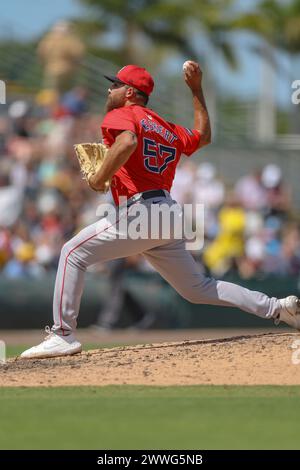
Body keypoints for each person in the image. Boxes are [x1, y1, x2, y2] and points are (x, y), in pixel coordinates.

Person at [21, 62, 300, 359]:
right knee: (197, 287)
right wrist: (196, 90)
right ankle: (277, 308)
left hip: (142, 211)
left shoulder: (121, 114)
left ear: (129, 92)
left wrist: (101, 176)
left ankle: (63, 334)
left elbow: (127, 141)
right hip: (168, 212)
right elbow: (203, 137)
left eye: (115, 85)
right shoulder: (165, 127)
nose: (109, 89)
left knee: (71, 253)